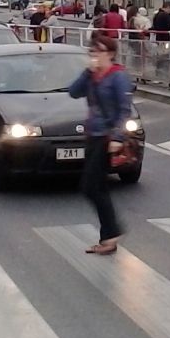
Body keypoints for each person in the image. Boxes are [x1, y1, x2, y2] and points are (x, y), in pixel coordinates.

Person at [68, 35, 131, 255]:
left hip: (106, 137)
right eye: (92, 51)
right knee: (98, 187)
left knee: (91, 186)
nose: (94, 55)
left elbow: (124, 111)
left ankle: (112, 233)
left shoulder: (118, 77)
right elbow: (73, 92)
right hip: (92, 135)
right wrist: (88, 72)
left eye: (99, 51)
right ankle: (109, 238)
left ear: (110, 54)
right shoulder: (93, 76)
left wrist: (117, 137)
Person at [150, 2, 170, 88]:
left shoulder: (157, 15)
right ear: (167, 7)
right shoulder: (166, 16)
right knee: (166, 57)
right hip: (166, 40)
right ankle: (166, 76)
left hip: (159, 39)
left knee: (160, 57)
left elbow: (155, 26)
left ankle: (159, 76)